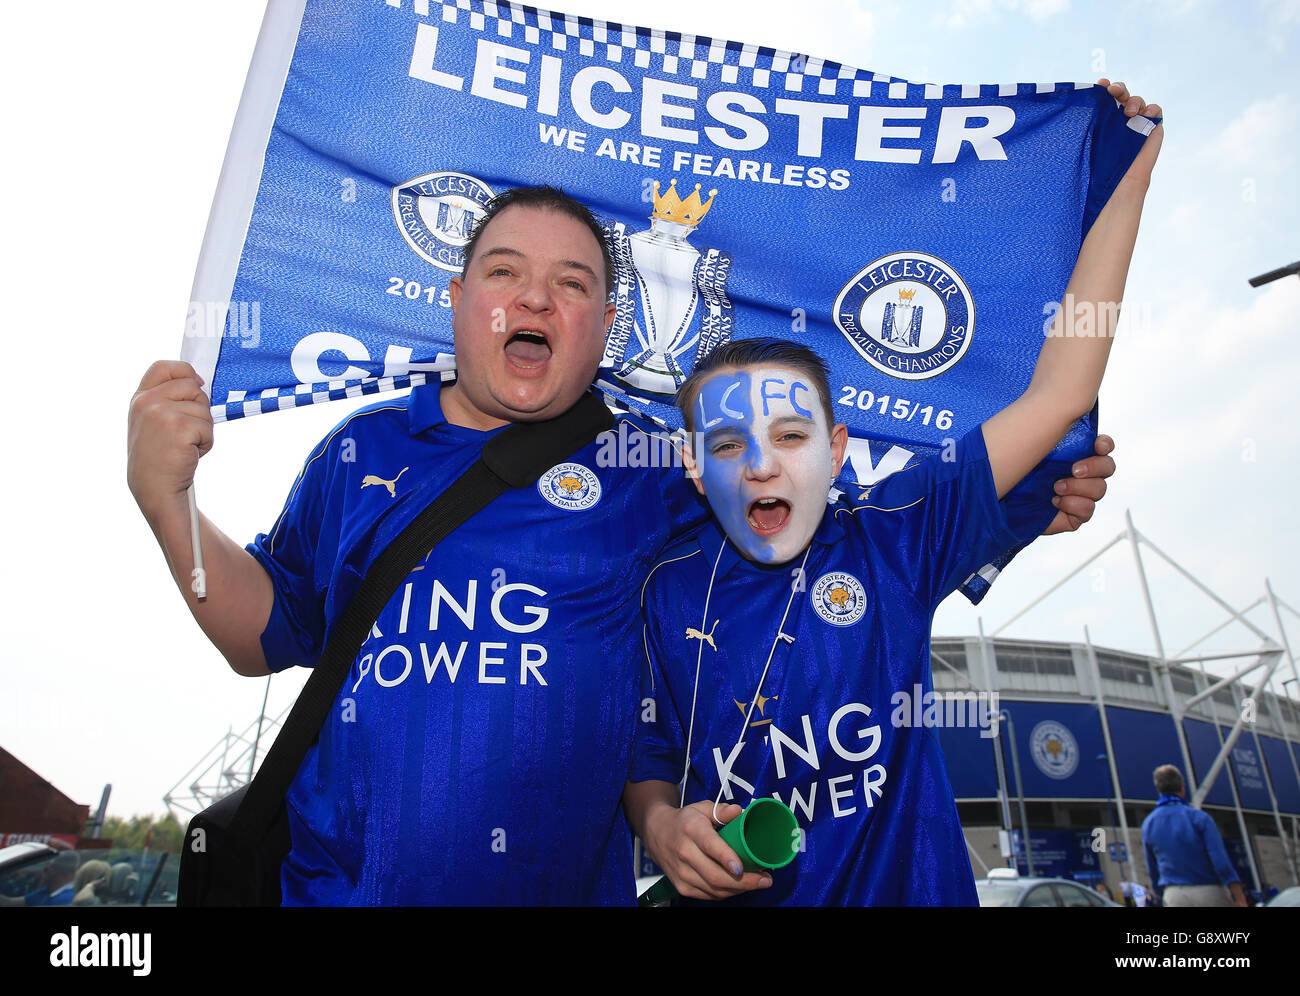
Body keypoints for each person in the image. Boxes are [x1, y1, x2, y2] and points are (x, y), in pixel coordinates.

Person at [128, 182, 1116, 903]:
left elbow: (811, 526)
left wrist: (1036, 489)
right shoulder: (357, 454)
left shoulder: (651, 463)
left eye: (570, 284)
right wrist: (167, 503)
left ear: (603, 325)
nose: (533, 299)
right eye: (503, 273)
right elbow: (262, 636)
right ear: (459, 299)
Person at [623, 82, 1161, 905]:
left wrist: (1123, 175)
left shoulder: (896, 534)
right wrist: (663, 827)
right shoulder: (661, 585)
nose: (763, 465)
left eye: (792, 436)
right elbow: (647, 758)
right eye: (730, 446)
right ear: (695, 468)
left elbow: (1058, 394)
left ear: (837, 452)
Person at [1141, 764, 1246, 908]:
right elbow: (1220, 861)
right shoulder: (1199, 818)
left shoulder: (1149, 823)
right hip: (1208, 890)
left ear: (1158, 789)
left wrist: (1160, 894)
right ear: (1182, 788)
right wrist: (1238, 895)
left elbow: (1152, 868)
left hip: (1174, 894)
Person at [0, 850, 79, 907]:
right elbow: (8, 903)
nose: (42, 873)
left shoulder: (66, 900)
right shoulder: (47, 892)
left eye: (46, 869)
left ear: (54, 872)